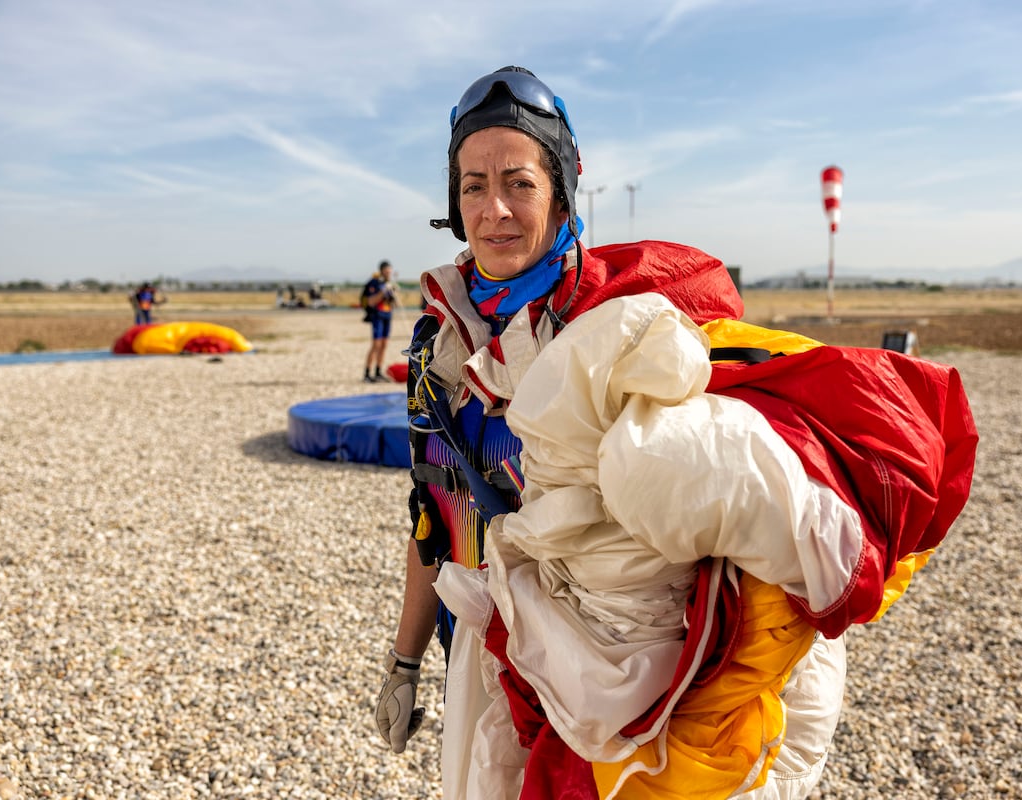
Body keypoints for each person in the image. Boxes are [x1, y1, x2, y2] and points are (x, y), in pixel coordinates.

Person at [374, 67, 976, 800]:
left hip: (620, 682)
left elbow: (724, 489)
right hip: (478, 640)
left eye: (519, 182)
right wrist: (406, 662)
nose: (494, 208)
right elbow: (432, 515)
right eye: (473, 185)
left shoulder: (628, 326)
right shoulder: (439, 344)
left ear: (562, 189)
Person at [361, 260, 397, 382]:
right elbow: (371, 301)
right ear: (382, 271)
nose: (388, 274)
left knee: (384, 345)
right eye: (386, 271)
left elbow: (394, 304)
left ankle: (378, 371)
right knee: (376, 345)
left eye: (390, 271)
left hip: (387, 316)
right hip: (378, 316)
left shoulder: (389, 283)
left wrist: (393, 293)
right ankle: (367, 373)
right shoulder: (374, 283)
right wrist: (383, 291)